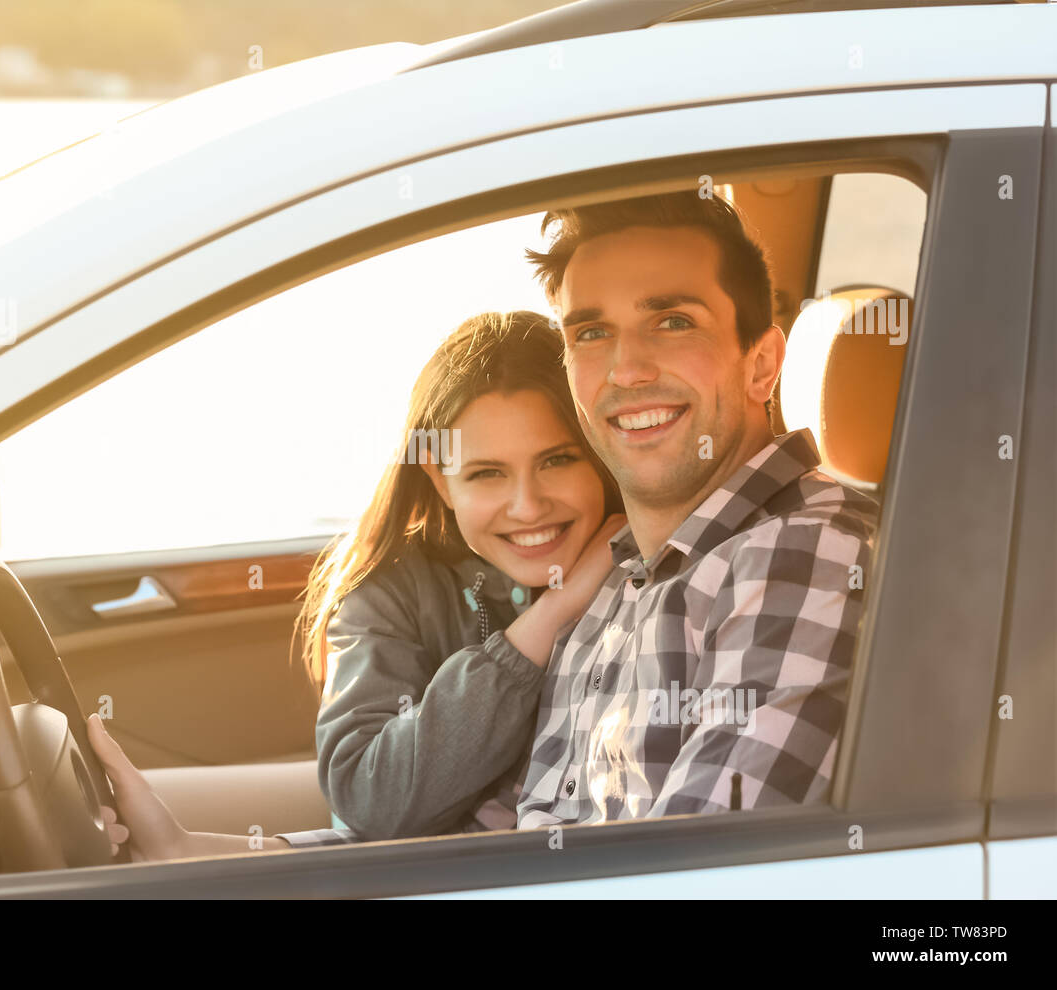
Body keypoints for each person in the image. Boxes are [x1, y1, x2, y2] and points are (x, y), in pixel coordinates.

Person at [87, 310, 626, 859]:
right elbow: (372, 803)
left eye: (557, 460)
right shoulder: (390, 587)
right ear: (442, 482)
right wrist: (545, 622)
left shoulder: (648, 573)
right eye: (488, 473)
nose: (529, 506)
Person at [514, 190, 879, 827]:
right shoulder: (618, 570)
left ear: (761, 365)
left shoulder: (801, 552)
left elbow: (698, 876)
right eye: (592, 333)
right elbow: (520, 825)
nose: (625, 370)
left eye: (673, 321)